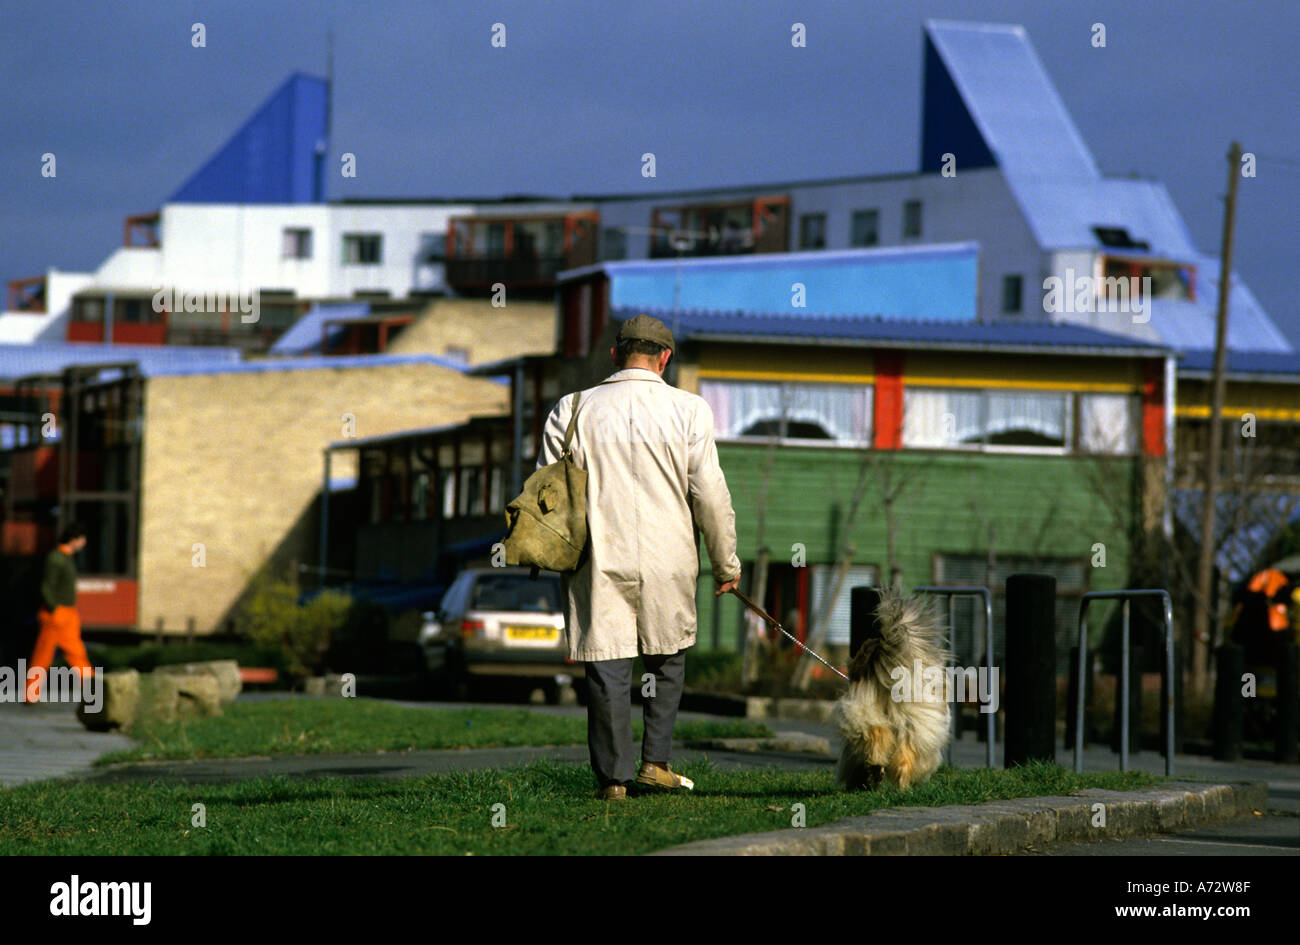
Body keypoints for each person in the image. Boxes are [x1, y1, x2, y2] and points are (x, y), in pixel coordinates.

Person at [538, 314, 740, 800]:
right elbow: (710, 495)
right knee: (666, 659)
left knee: (607, 664)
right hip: (668, 557)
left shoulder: (572, 408)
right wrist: (726, 564)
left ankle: (614, 780)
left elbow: (546, 491)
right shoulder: (690, 410)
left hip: (597, 557)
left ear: (615, 355)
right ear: (665, 359)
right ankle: (656, 763)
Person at [25, 522, 93, 703]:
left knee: (76, 653)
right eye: (82, 539)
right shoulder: (56, 558)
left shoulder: (66, 558)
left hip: (68, 613)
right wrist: (53, 609)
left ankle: (93, 690)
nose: (84, 543)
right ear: (74, 539)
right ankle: (31, 694)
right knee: (44, 654)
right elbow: (46, 587)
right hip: (56, 613)